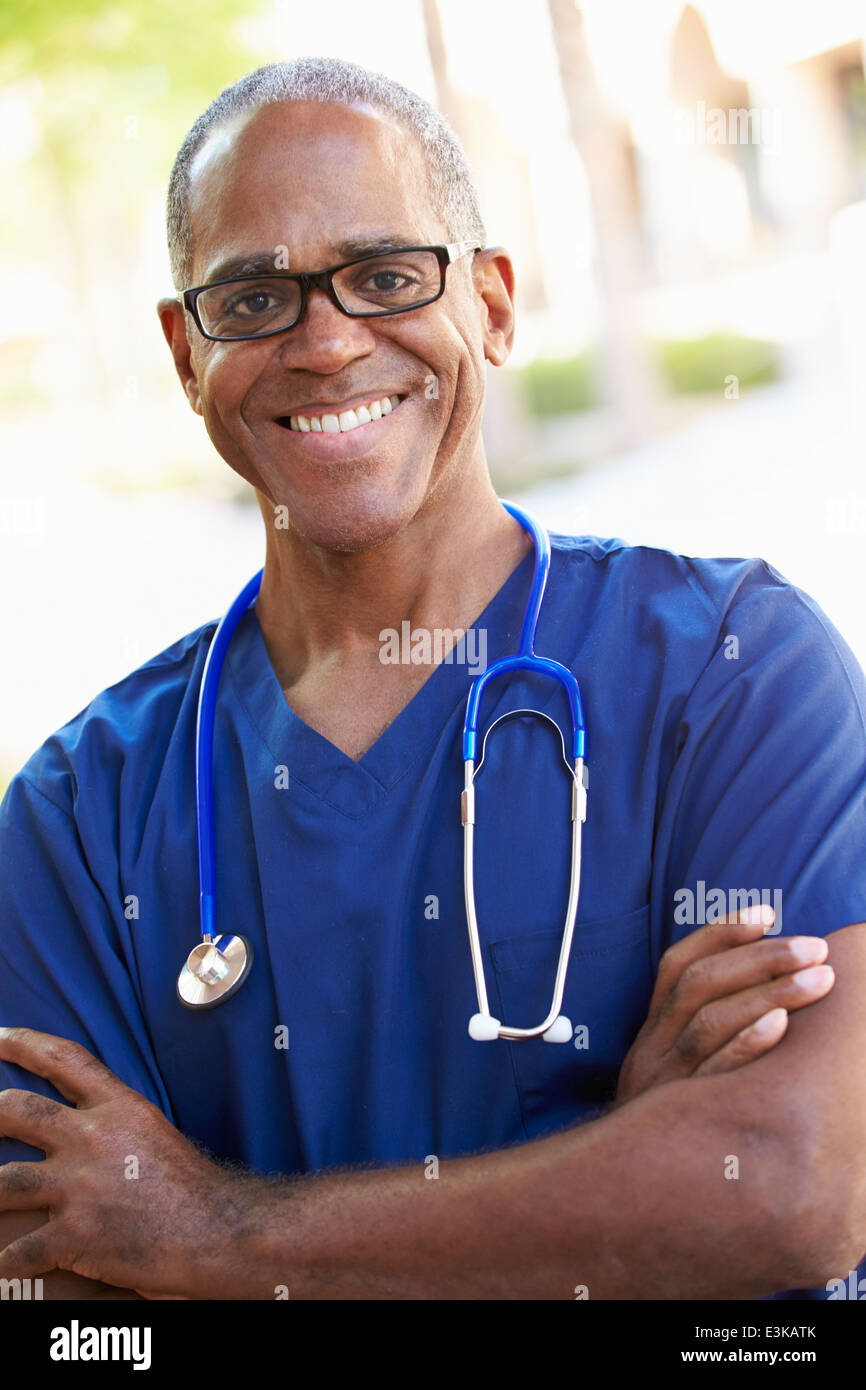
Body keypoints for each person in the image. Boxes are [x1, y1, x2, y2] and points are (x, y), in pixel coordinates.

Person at [1, 57, 865, 1302]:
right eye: (252, 297)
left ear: (495, 305)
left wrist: (208, 1235)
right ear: (186, 353)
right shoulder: (78, 818)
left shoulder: (731, 669)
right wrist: (617, 1179)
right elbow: (64, 1307)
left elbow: (788, 1188)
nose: (327, 340)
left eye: (387, 276)